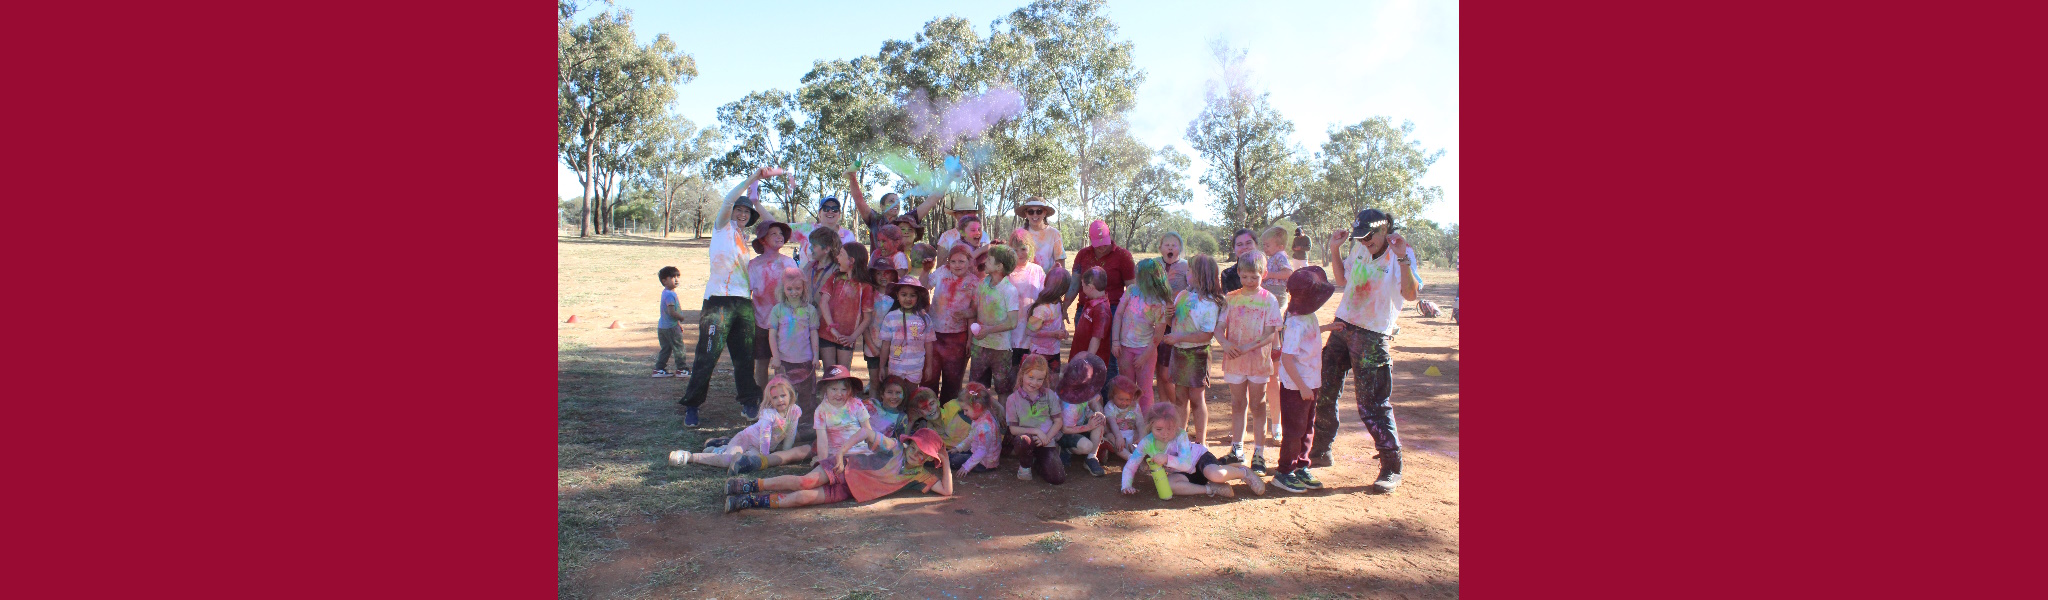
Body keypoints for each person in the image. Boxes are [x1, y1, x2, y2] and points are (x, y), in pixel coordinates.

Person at [1315, 208, 1421, 493]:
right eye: (1360, 237)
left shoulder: (1401, 253)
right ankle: (1320, 450)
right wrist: (1335, 249)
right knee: (1324, 391)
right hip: (1342, 326)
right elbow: (1342, 281)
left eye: (1368, 236)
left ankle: (1391, 466)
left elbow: (1411, 294)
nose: (1364, 242)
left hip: (1373, 335)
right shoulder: (1360, 249)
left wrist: (1402, 258)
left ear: (1384, 229)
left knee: (1372, 404)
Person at [678, 167, 780, 426]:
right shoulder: (721, 227)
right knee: (708, 355)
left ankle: (749, 402)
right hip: (718, 302)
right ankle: (692, 405)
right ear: (732, 211)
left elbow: (774, 227)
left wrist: (757, 202)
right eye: (739, 210)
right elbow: (727, 199)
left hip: (743, 303)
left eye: (747, 211)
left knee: (744, 357)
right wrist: (753, 179)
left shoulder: (743, 237)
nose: (743, 214)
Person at [722, 427, 953, 513]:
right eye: (914, 448)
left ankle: (750, 501)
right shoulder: (893, 447)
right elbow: (865, 432)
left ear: (928, 459)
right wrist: (841, 453)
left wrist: (947, 462)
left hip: (850, 491)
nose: (916, 455)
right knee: (805, 482)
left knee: (803, 498)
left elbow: (946, 491)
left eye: (923, 454)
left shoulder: (920, 475)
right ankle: (748, 485)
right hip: (843, 467)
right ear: (908, 444)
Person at [1269, 267, 1334, 493]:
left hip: (1309, 382)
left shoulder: (1307, 315)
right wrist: (1303, 387)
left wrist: (1327, 328)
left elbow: (1308, 335)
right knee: (1294, 431)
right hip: (1297, 386)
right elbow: (1287, 359)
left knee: (1307, 428)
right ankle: (1284, 471)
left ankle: (1301, 465)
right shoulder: (1295, 322)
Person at [1217, 250, 1283, 474]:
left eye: (1254, 277)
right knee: (1237, 404)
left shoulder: (1269, 299)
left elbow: (1270, 334)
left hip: (1258, 363)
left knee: (1258, 405)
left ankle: (1259, 453)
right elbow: (1219, 327)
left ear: (1264, 274)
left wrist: (1246, 348)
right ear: (1238, 272)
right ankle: (1237, 450)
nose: (1249, 281)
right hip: (1234, 361)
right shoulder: (1231, 298)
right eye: (1245, 276)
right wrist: (1225, 344)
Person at [668, 374, 810, 475]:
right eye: (775, 397)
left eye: (783, 395)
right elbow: (765, 436)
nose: (780, 400)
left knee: (747, 462)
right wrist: (766, 456)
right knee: (727, 461)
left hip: (757, 448)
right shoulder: (769, 414)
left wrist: (785, 452)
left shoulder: (794, 411)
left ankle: (719, 450)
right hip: (746, 439)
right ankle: (689, 456)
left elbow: (791, 433)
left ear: (790, 394)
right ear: (770, 401)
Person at [1119, 403, 1266, 500]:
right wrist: (1126, 485)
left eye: (1170, 429)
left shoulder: (1180, 435)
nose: (1165, 434)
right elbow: (1131, 465)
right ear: (1150, 427)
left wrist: (1166, 458)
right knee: (1168, 486)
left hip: (1199, 460)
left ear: (1176, 426)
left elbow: (1186, 463)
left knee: (1215, 474)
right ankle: (1210, 489)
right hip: (1183, 473)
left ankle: (1243, 472)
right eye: (1159, 429)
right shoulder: (1146, 443)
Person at [1161, 254, 1222, 444]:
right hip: (1179, 352)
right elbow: (1172, 322)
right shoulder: (1182, 295)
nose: (1186, 273)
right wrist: (1168, 314)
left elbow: (1206, 335)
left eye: (1189, 270)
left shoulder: (1210, 303)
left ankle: (1201, 441)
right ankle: (1181, 438)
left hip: (1197, 354)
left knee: (1196, 397)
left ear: (1200, 274)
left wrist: (1179, 337)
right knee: (1180, 398)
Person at [1109, 258, 1171, 414]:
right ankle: (1127, 419)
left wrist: (1145, 355)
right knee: (1126, 387)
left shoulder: (1159, 302)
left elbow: (1158, 333)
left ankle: (1145, 420)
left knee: (1144, 389)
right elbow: (1119, 315)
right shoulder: (1131, 290)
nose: (1135, 276)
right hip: (1125, 348)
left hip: (1145, 350)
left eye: (1138, 274)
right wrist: (1115, 341)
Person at [746, 220, 799, 395]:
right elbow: (748, 293)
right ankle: (763, 399)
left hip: (785, 322)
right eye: (773, 234)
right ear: (762, 240)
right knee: (761, 362)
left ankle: (782, 399)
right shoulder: (753, 265)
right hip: (761, 322)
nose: (779, 236)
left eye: (781, 233)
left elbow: (798, 292)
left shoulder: (789, 263)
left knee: (782, 363)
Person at [1256, 226, 1296, 450]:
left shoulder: (1280, 257)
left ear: (1279, 245)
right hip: (1266, 299)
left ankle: (1277, 423)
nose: (1266, 248)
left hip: (1277, 296)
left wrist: (1269, 275)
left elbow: (1288, 273)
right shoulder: (1270, 258)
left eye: (1268, 245)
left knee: (1276, 319)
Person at [965, 244, 1023, 399]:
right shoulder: (982, 284)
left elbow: (1012, 323)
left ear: (999, 266)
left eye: (989, 260)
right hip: (979, 346)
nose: (985, 262)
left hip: (1001, 349)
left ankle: (1003, 415)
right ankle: (977, 415)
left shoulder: (1009, 290)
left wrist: (988, 330)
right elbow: (975, 310)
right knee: (975, 389)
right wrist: (960, 313)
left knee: (1003, 390)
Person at [766, 267, 822, 420]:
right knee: (783, 394)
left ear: (804, 288)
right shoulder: (777, 310)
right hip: (784, 361)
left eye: (798, 288)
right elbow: (772, 335)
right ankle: (784, 422)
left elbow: (814, 334)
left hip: (805, 360)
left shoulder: (810, 310)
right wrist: (775, 357)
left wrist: (816, 356)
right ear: (783, 289)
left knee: (807, 395)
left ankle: (806, 422)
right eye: (789, 289)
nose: (794, 292)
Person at [926, 244, 977, 401]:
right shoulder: (942, 272)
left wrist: (969, 340)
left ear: (969, 262)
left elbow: (975, 312)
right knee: (929, 377)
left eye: (961, 261)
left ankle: (948, 412)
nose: (957, 265)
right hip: (934, 334)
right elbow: (924, 286)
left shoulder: (974, 282)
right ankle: (928, 409)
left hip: (958, 337)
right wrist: (925, 270)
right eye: (953, 261)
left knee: (952, 379)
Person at [1005, 354, 1067, 484]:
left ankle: (1038, 462)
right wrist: (1037, 431)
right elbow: (1013, 429)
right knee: (1023, 440)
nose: (1034, 383)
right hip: (1026, 439)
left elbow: (1058, 421)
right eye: (1031, 377)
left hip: (1045, 441)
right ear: (1022, 374)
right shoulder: (1013, 399)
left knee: (1057, 478)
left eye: (1040, 379)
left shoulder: (1049, 395)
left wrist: (1047, 437)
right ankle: (1025, 466)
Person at [1063, 220, 1135, 326]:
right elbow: (1074, 284)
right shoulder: (1083, 255)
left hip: (1112, 308)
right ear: (1090, 239)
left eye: (1105, 242)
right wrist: (1064, 307)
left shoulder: (1123, 256)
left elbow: (1132, 288)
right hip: (1085, 307)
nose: (1102, 247)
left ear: (1110, 236)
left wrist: (1132, 314)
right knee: (1082, 337)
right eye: (1098, 243)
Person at [816, 241, 873, 371]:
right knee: (829, 373)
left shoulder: (865, 286)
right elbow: (823, 302)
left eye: (841, 254)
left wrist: (852, 337)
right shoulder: (835, 278)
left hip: (847, 338)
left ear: (851, 261)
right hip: (826, 333)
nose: (837, 257)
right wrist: (832, 329)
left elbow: (867, 318)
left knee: (842, 373)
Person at [875, 276, 937, 392]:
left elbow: (929, 345)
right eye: (904, 295)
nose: (908, 298)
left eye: (912, 295)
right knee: (896, 395)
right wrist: (882, 366)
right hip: (895, 367)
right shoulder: (890, 317)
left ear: (918, 297)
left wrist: (929, 367)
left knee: (911, 395)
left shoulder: (924, 319)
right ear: (897, 295)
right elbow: (885, 345)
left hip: (915, 367)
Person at [1153, 232, 1192, 409]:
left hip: (1176, 323)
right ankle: (1164, 409)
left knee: (1167, 372)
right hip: (1154, 321)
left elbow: (1192, 291)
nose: (1170, 247)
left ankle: (1178, 409)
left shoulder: (1185, 266)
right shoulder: (1154, 265)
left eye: (1174, 245)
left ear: (1180, 249)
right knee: (1159, 372)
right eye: (1166, 244)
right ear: (1160, 248)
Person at [1055, 357, 1110, 477]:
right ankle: (1066, 449)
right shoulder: (1070, 406)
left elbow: (1092, 401)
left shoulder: (1083, 389)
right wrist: (1088, 427)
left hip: (1080, 423)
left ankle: (1091, 457)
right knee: (1086, 446)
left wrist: (1098, 411)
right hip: (1063, 433)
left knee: (1098, 419)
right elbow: (1065, 429)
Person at [1004, 229, 1046, 369]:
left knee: (1029, 369)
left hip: (1031, 329)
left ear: (1031, 248)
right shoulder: (1006, 272)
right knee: (1012, 369)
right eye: (1015, 250)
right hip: (1011, 330)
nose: (1020, 254)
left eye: (1023, 249)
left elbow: (1044, 297)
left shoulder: (1037, 270)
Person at [861, 255, 902, 400]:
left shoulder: (899, 297)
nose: (882, 276)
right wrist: (871, 346)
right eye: (878, 273)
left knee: (891, 383)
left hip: (894, 348)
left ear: (894, 275)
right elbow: (864, 323)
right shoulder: (869, 294)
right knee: (874, 382)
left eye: (887, 273)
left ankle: (890, 409)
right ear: (872, 275)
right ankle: (873, 409)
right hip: (873, 346)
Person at [946, 383, 1002, 474]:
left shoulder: (985, 427)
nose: (964, 413)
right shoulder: (981, 415)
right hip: (978, 453)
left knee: (952, 460)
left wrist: (966, 467)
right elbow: (971, 437)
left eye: (966, 410)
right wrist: (958, 448)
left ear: (978, 406)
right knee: (953, 453)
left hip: (984, 463)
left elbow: (982, 451)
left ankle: (934, 460)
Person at [1024, 267, 1072, 376]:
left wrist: (1063, 330)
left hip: (1054, 352)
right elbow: (1029, 331)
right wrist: (1053, 334)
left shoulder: (1058, 303)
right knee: (1038, 382)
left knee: (1053, 382)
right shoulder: (1042, 309)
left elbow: (1059, 320)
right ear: (1062, 289)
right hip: (1039, 354)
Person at [790, 195, 858, 266]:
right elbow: (783, 230)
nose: (830, 211)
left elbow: (853, 261)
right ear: (819, 213)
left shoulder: (849, 236)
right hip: (806, 273)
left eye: (835, 209)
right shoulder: (806, 229)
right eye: (826, 208)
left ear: (839, 215)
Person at [1068, 266, 1114, 366]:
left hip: (1091, 365)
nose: (1082, 288)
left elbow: (1096, 339)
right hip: (1079, 356)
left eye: (1083, 286)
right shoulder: (1091, 302)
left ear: (1090, 287)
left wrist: (1087, 362)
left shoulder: (1101, 310)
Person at [1100, 375, 1145, 471]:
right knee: (1110, 437)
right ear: (1112, 396)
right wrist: (1118, 437)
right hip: (1117, 434)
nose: (1124, 403)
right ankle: (1131, 459)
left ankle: (1138, 458)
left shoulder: (1134, 406)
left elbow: (1140, 422)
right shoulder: (1110, 407)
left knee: (1144, 436)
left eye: (1128, 400)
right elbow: (1112, 423)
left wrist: (1141, 436)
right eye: (1121, 399)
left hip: (1132, 434)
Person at [653, 266, 686, 378]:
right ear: (664, 281)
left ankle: (659, 369)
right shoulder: (670, 295)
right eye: (672, 277)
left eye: (677, 276)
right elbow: (671, 312)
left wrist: (678, 324)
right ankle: (682, 369)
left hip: (663, 327)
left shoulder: (665, 293)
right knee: (679, 348)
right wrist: (681, 318)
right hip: (671, 328)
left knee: (666, 349)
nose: (676, 279)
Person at [1014, 196, 1064, 269]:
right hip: (1024, 276)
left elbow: (1060, 263)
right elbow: (1014, 259)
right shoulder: (1019, 234)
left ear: (1044, 213)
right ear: (1026, 213)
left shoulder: (1054, 234)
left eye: (1039, 211)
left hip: (1048, 276)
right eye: (1031, 212)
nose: (1035, 215)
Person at [1219, 228, 1256, 293]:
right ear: (1234, 249)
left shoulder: (1269, 269)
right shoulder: (1227, 274)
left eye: (1248, 243)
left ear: (1256, 245)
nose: (1244, 247)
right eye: (1239, 244)